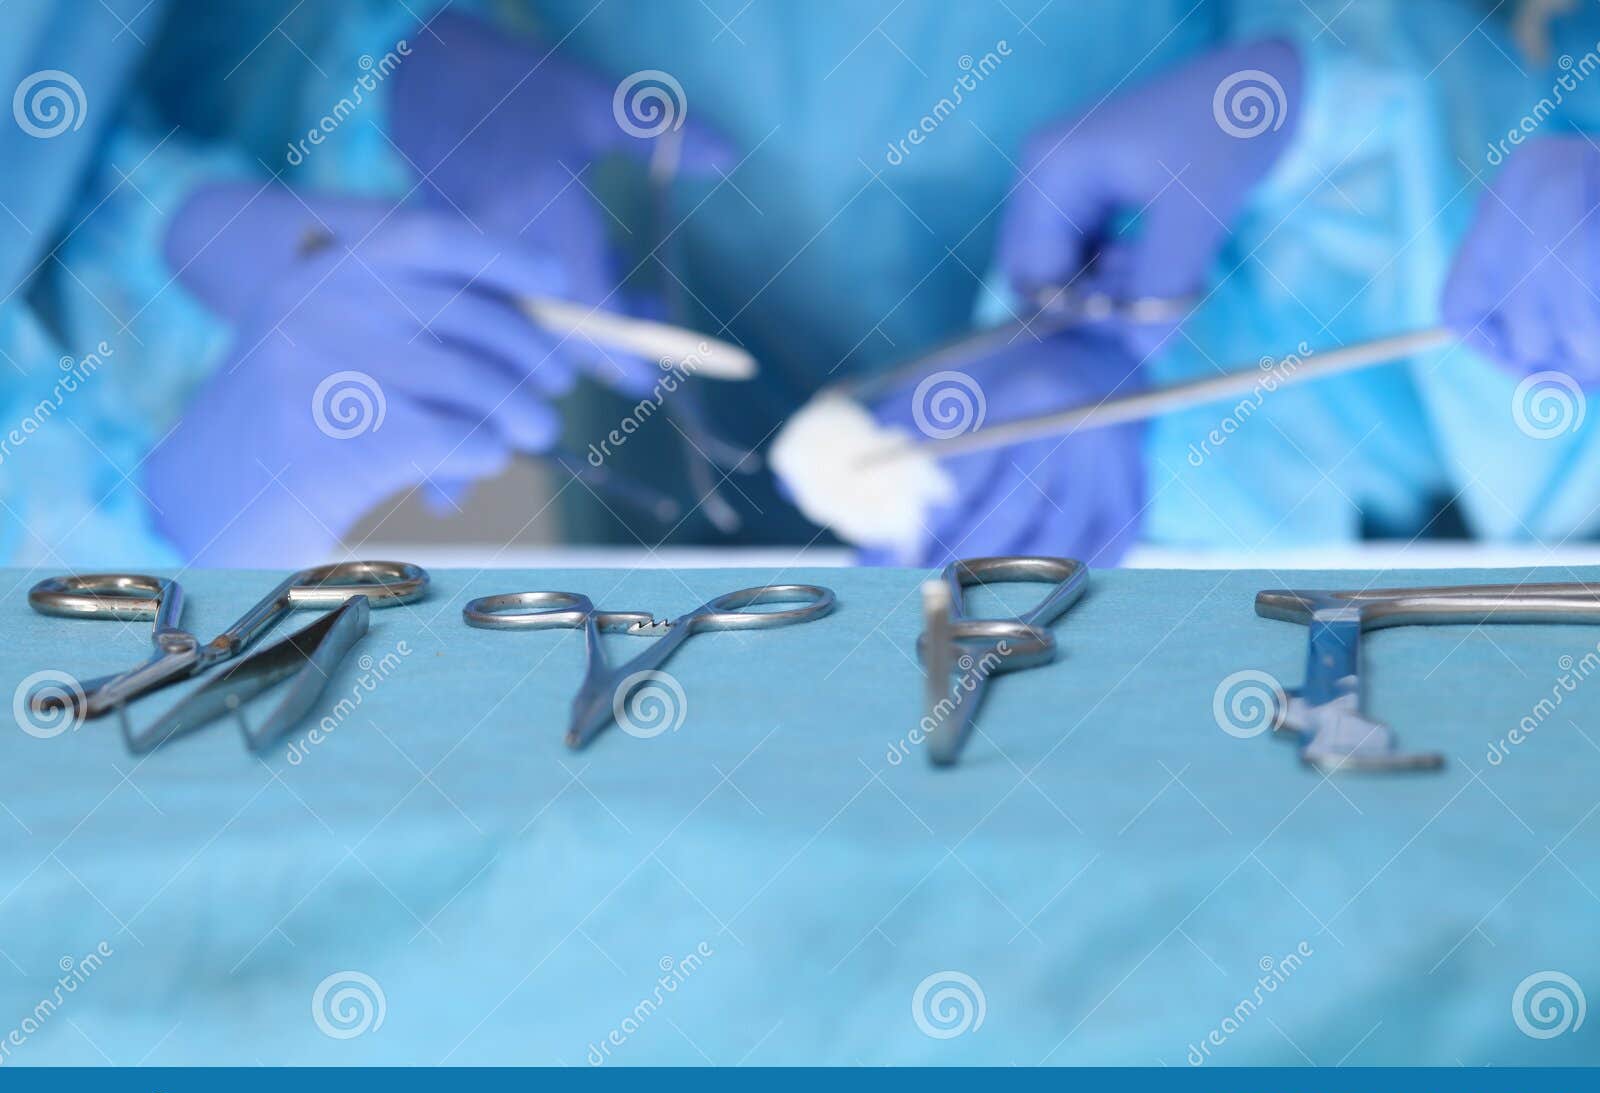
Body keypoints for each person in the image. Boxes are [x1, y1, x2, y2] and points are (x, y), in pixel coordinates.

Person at [4, 0, 1597, 567]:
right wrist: (365, 88)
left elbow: (1528, 277)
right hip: (686, 291)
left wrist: (1310, 113)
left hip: (1218, 336)